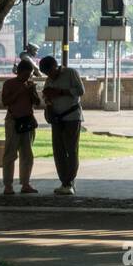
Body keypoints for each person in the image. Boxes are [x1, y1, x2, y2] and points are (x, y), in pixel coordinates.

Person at [39, 55, 85, 196]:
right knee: (58, 151)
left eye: (50, 72)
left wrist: (61, 92)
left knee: (71, 150)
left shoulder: (71, 73)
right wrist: (47, 98)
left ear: (55, 66)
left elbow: (80, 91)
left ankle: (69, 182)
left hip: (72, 117)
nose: (49, 75)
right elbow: (46, 97)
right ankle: (64, 180)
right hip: (57, 119)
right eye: (46, 74)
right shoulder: (49, 80)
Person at [0, 58, 40, 195]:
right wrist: (20, 91)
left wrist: (31, 91)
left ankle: (25, 183)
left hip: (28, 120)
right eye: (26, 74)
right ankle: (8, 185)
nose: (27, 77)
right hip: (13, 120)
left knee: (27, 154)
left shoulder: (30, 84)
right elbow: (5, 102)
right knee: (10, 154)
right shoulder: (9, 84)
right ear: (19, 72)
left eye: (29, 75)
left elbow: (37, 102)